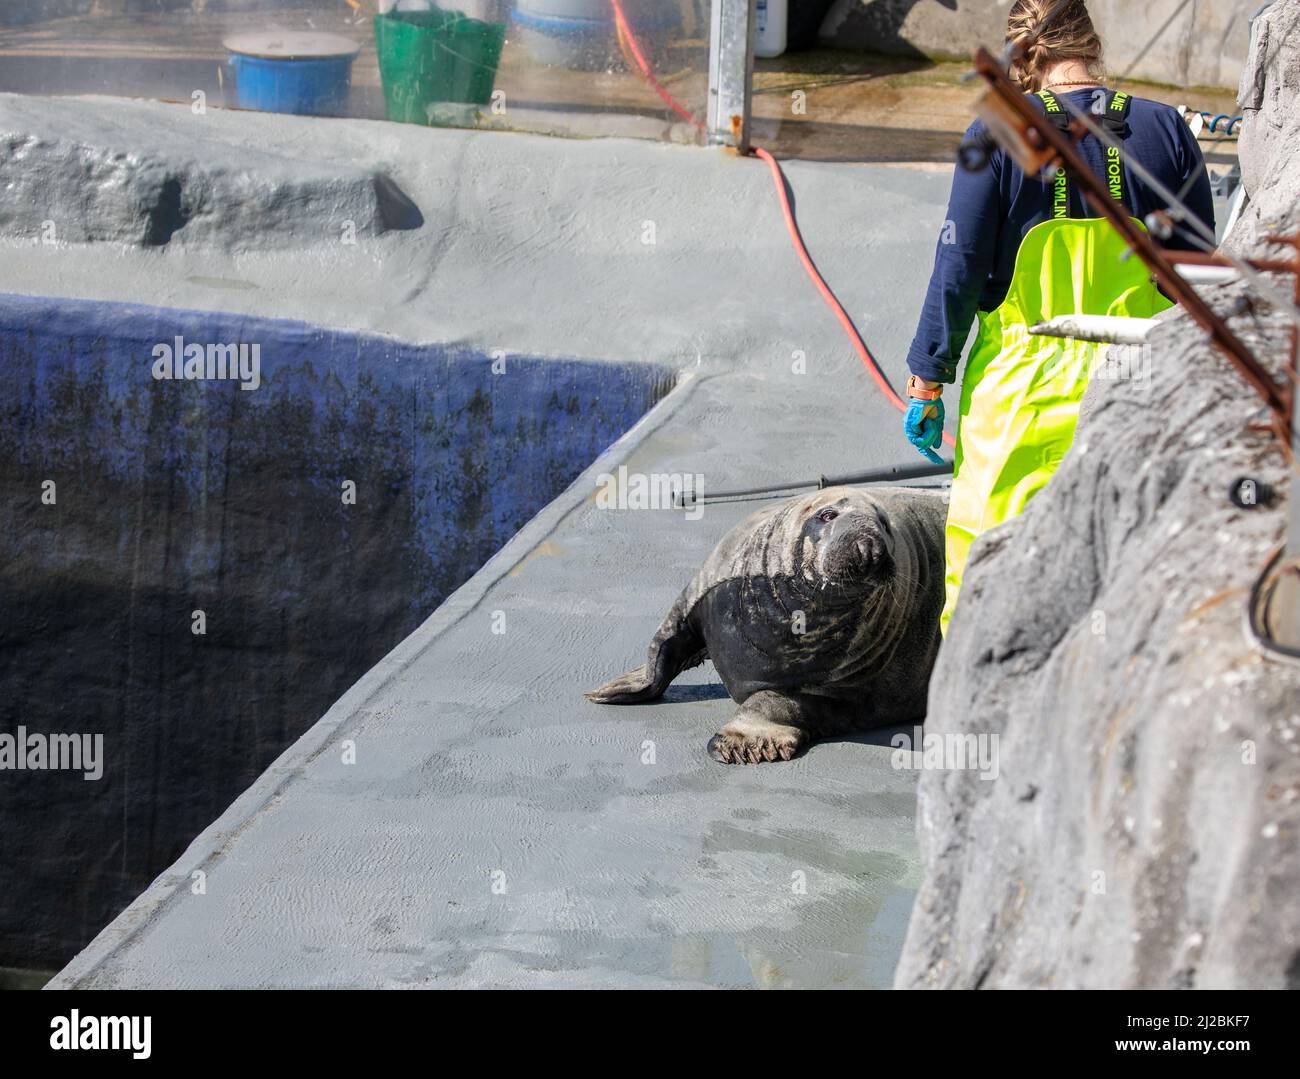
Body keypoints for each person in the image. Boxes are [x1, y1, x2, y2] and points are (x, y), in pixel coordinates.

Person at [903, 0, 1214, 634]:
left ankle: (983, 716)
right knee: (1131, 565)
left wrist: (928, 374)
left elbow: (957, 262)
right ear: (1091, 47)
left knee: (988, 568)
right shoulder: (1168, 130)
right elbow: (1199, 272)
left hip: (1021, 393)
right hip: (1138, 389)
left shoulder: (995, 133)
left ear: (1024, 58)